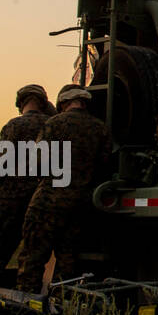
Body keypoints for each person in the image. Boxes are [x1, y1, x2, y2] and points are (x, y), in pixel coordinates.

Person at [15, 85, 112, 294]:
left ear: (63, 103)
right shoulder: (100, 128)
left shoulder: (54, 123)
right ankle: (62, 304)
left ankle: (25, 306)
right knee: (67, 259)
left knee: (32, 256)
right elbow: (104, 164)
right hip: (81, 203)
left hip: (50, 198)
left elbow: (37, 164)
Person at [0, 85, 52, 286]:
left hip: (12, 195)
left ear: (20, 103)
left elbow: (1, 166)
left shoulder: (14, 125)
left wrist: (2, 187)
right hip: (42, 196)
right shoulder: (52, 124)